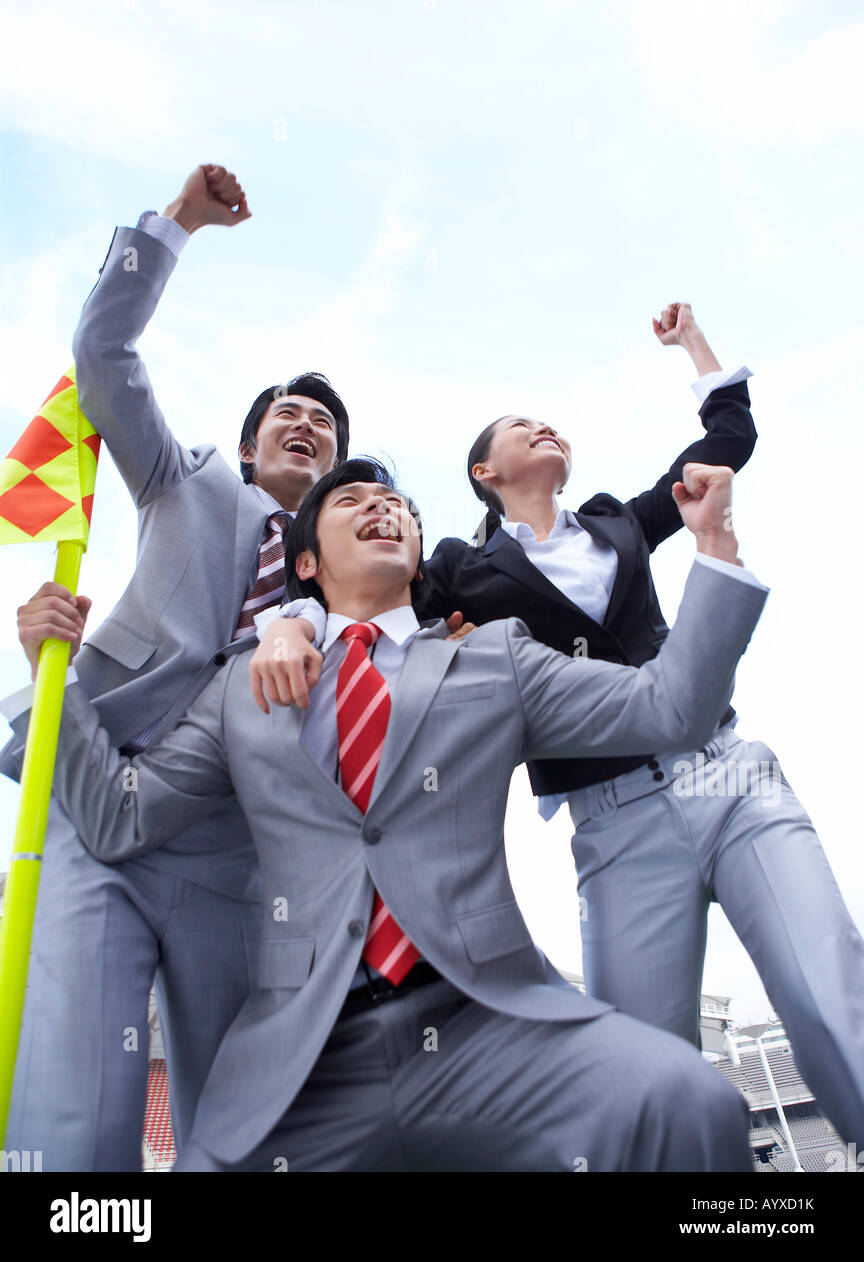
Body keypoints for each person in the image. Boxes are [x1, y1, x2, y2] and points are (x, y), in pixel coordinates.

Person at [7, 455, 768, 1171]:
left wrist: (715, 546)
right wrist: (59, 676)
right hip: (305, 1061)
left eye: (398, 504)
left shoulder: (496, 657)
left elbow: (672, 709)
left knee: (691, 1105)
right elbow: (120, 816)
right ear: (304, 566)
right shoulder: (241, 689)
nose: (383, 507)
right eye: (351, 500)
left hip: (488, 1022)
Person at [252, 303, 864, 1147]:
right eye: (517, 426)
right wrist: (290, 622)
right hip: (613, 822)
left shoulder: (621, 521)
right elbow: (361, 595)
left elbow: (730, 438)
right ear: (482, 471)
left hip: (723, 772)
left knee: (832, 994)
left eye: (546, 422)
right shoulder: (461, 570)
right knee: (646, 1074)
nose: (542, 427)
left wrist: (692, 344)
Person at [0, 164, 350, 1170]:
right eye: (286, 413)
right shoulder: (187, 481)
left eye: (324, 424)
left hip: (233, 859)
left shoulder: (357, 583)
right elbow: (102, 354)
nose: (305, 424)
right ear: (245, 450)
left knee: (235, 1127)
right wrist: (180, 223)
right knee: (73, 1121)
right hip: (91, 794)